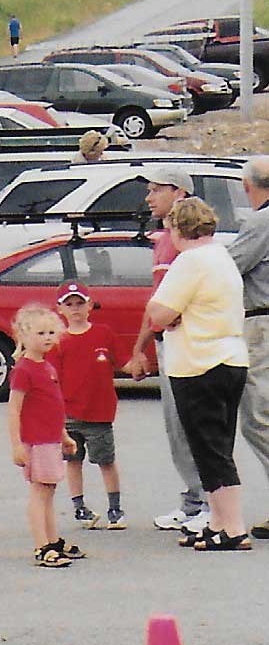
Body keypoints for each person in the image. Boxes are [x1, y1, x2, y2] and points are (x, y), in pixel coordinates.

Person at [143, 197, 251, 551]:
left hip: (198, 362)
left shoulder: (190, 261)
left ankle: (233, 527)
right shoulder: (221, 256)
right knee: (217, 445)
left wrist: (169, 313)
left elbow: (158, 312)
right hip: (231, 357)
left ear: (177, 228)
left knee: (210, 448)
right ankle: (219, 522)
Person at [121, 166, 207, 534]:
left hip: (189, 346)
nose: (149, 197)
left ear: (179, 193)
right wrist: (141, 348)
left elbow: (169, 307)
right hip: (171, 344)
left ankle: (204, 503)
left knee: (191, 426)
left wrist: (145, 345)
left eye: (156, 190)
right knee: (177, 428)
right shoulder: (164, 239)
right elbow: (157, 304)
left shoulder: (182, 244)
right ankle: (193, 501)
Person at [8, 303, 82, 568]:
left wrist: (64, 436)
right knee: (40, 494)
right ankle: (42, 546)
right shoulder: (24, 370)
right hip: (36, 443)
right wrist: (17, 445)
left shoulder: (47, 367)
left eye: (51, 332)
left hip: (50, 441)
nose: (48, 338)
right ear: (24, 336)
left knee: (49, 492)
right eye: (40, 333)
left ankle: (53, 540)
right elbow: (14, 409)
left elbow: (52, 407)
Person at [50, 282, 124, 530]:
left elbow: (121, 361)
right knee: (73, 460)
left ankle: (115, 507)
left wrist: (137, 365)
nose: (75, 309)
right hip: (69, 413)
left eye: (80, 303)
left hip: (99, 413)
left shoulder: (103, 334)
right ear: (60, 309)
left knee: (106, 460)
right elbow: (53, 378)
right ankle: (79, 507)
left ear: (90, 305)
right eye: (69, 305)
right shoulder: (58, 341)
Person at [228, 155, 269, 540]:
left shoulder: (260, 223)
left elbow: (230, 266)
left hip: (261, 321)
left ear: (247, 186)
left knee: (258, 418)